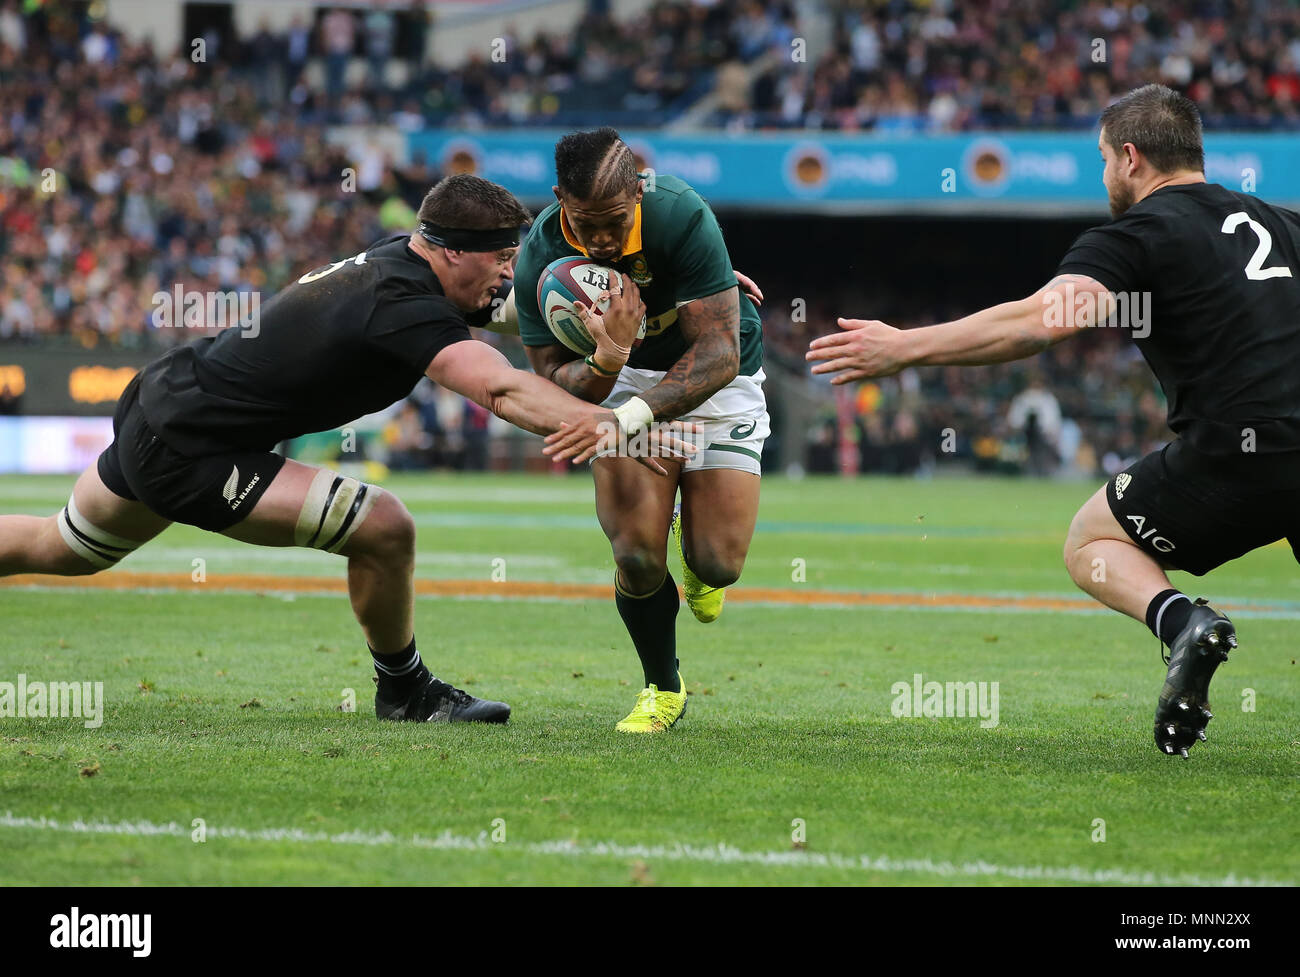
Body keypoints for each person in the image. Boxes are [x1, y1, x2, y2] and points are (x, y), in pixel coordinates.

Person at [0, 174, 690, 726]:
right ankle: (406, 691)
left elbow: (515, 309)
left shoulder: (408, 261)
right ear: (451, 251)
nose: (510, 273)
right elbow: (504, 390)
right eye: (502, 258)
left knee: (62, 546)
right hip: (191, 445)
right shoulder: (401, 303)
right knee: (385, 527)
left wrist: (677, 303)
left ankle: (405, 691)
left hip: (169, 397)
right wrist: (624, 422)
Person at [807, 84, 1300, 757]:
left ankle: (1184, 622)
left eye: (1101, 160)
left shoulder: (1142, 233)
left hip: (1239, 452)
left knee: (1089, 541)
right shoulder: (1283, 222)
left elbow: (1042, 320)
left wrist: (904, 347)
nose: (1103, 177)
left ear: (1130, 158)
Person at [515, 127, 769, 733]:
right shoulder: (541, 252)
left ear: (638, 191)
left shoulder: (679, 213)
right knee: (634, 550)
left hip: (714, 378)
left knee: (719, 563)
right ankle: (662, 686)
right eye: (585, 223)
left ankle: (694, 550)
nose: (600, 241)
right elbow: (551, 377)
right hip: (626, 380)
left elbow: (718, 355)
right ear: (558, 198)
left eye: (614, 221)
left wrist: (628, 418)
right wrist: (608, 359)